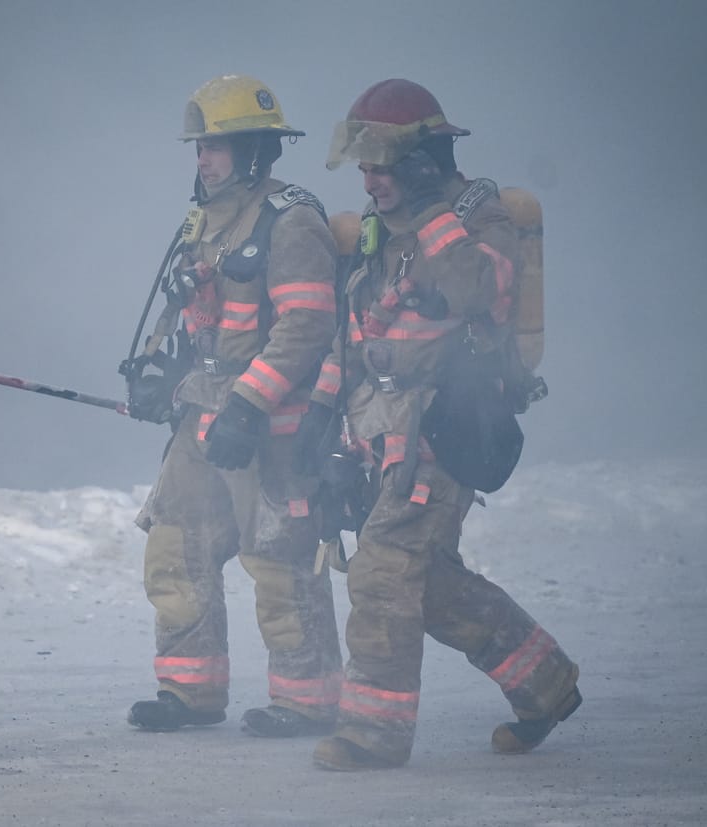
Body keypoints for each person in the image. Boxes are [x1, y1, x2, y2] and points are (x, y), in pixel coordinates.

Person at [298, 78, 581, 770]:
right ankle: (547, 683)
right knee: (428, 585)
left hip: (443, 429)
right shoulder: (377, 228)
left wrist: (431, 208)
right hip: (379, 429)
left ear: (422, 159)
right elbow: (352, 330)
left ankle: (373, 734)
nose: (370, 181)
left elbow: (480, 289)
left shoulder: (475, 214)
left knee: (383, 576)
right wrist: (320, 416)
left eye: (381, 165)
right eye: (362, 167)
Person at [125, 75, 343, 738]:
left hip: (268, 423)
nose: (202, 160)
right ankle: (188, 691)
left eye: (215, 148)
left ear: (252, 151)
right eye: (199, 149)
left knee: (277, 553)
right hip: (205, 413)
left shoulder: (292, 220)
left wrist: (248, 405)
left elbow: (306, 325)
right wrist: (162, 370)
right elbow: (193, 312)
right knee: (175, 541)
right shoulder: (206, 219)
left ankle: (308, 700)